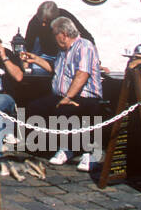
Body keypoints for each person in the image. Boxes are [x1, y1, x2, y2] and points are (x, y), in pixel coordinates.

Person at [20, 16, 103, 171]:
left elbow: (82, 74)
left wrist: (68, 97)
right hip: (63, 94)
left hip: (85, 96)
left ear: (63, 34)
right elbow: (55, 70)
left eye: (55, 35)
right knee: (34, 108)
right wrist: (35, 59)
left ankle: (88, 151)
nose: (54, 38)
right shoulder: (62, 51)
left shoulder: (84, 46)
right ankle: (64, 148)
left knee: (65, 110)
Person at [23, 1, 94, 57]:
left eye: (46, 22)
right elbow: (29, 42)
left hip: (66, 55)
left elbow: (86, 36)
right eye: (42, 21)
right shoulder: (36, 20)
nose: (43, 25)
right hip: (45, 55)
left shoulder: (66, 17)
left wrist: (92, 59)